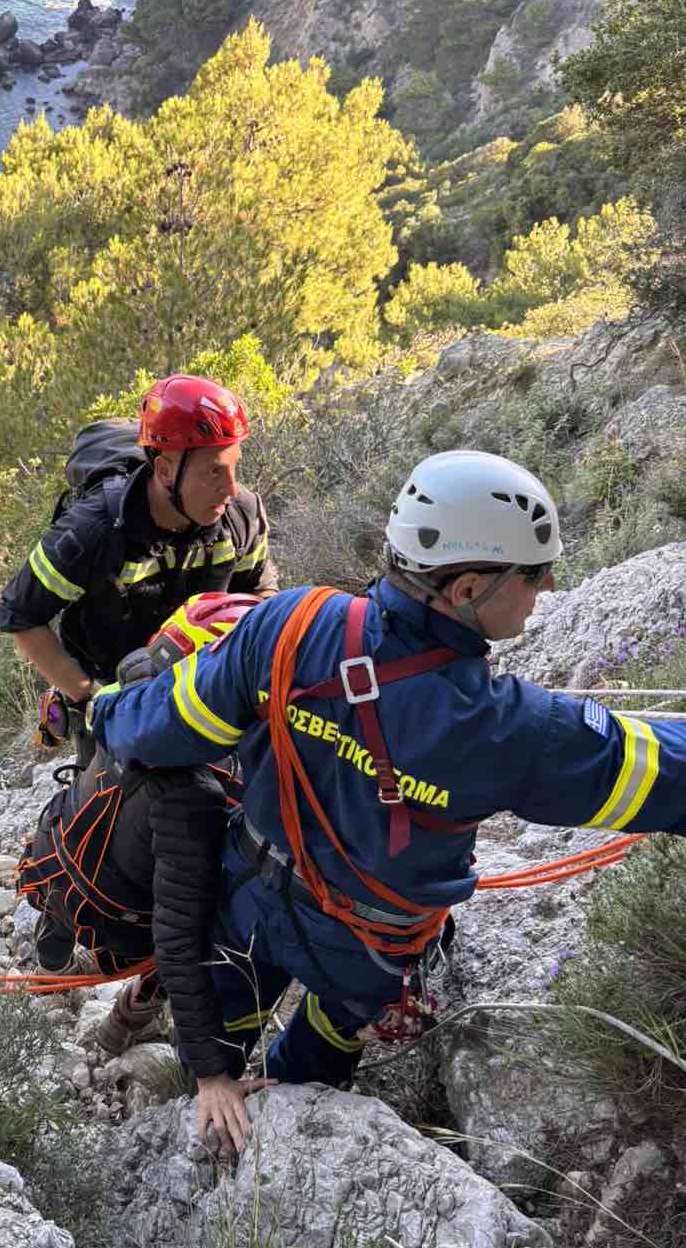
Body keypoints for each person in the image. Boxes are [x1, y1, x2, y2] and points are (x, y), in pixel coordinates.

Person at [86, 448, 686, 1141]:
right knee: (318, 1058)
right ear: (467, 588)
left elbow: (160, 725)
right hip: (363, 950)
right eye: (533, 572)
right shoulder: (506, 730)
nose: (548, 584)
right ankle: (294, 1103)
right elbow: (652, 769)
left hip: (248, 898)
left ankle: (197, 1095)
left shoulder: (288, 626)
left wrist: (101, 708)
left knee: (221, 1041)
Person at [18, 593, 272, 1152]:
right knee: (203, 910)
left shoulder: (132, 697)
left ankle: (59, 972)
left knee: (72, 906)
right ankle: (123, 1024)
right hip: (122, 917)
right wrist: (210, 1071)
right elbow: (178, 936)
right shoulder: (193, 791)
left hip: (56, 853)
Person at [0, 377, 278, 742]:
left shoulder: (239, 515)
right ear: (164, 471)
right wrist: (92, 699)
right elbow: (21, 614)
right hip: (115, 698)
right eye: (213, 471)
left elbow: (261, 597)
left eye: (233, 467)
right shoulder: (93, 529)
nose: (231, 488)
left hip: (207, 691)